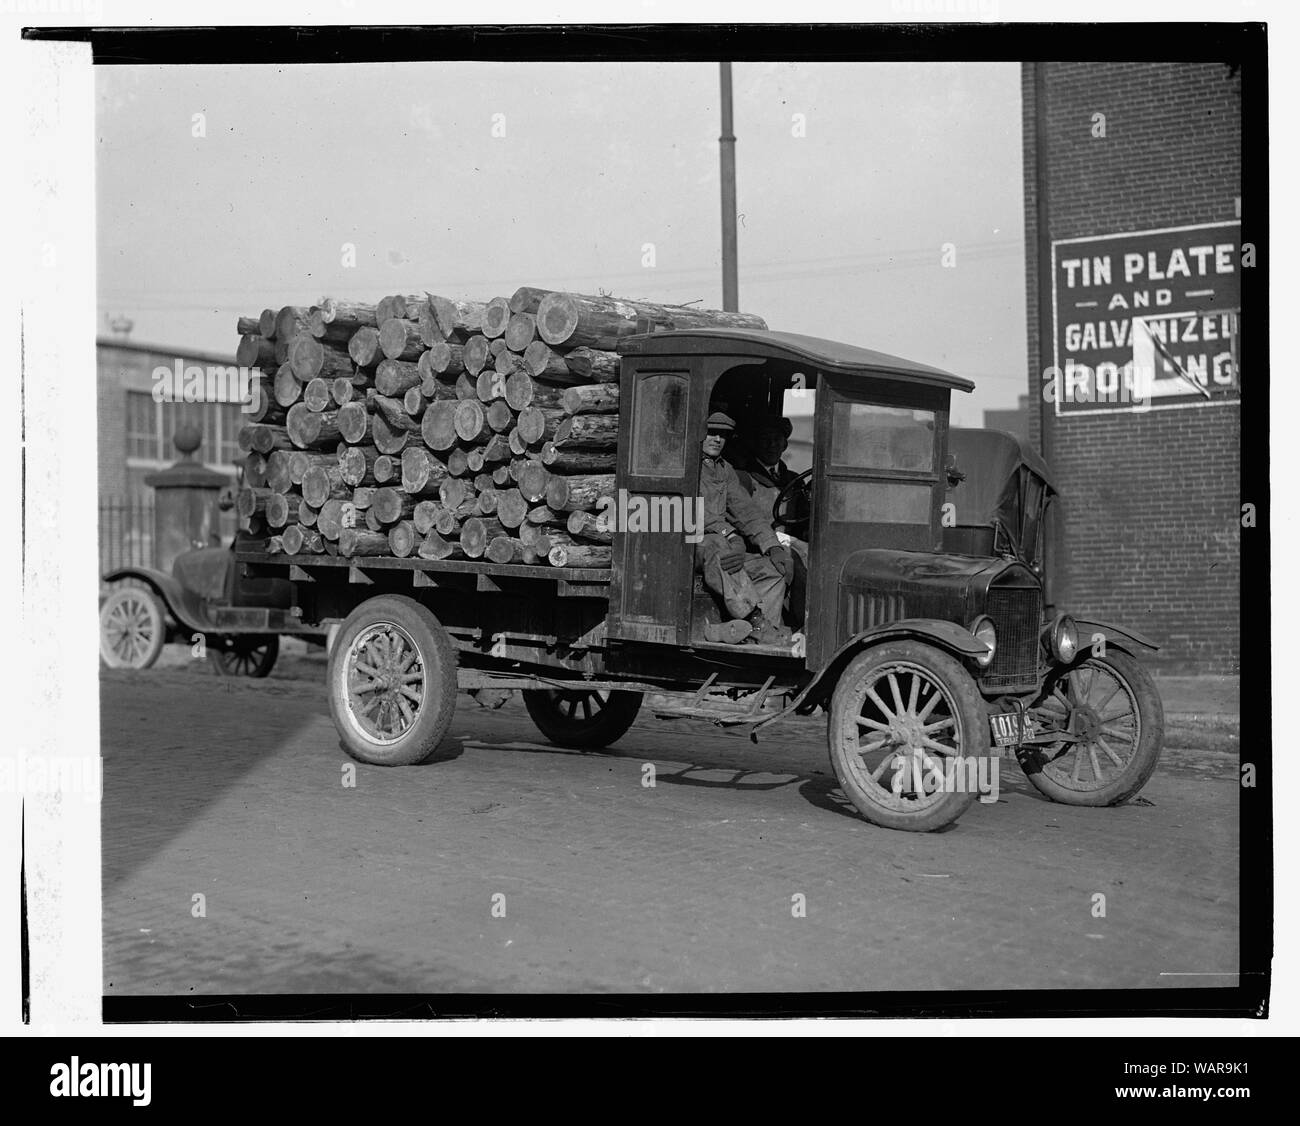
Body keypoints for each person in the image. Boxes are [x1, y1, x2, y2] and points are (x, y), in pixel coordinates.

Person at [697, 412, 795, 646]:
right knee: (720, 548)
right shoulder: (686, 466)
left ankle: (762, 635)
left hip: (720, 539)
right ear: (699, 434)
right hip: (690, 541)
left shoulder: (724, 469)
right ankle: (755, 621)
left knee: (772, 569)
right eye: (711, 433)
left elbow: (746, 511)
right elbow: (692, 511)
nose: (717, 439)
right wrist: (728, 533)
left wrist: (772, 546)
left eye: (723, 435)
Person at [732, 415, 808, 630]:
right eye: (765, 439)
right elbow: (741, 518)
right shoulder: (744, 478)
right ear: (755, 443)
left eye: (777, 439)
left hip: (787, 541)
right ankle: (798, 626)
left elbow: (804, 518)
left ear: (785, 444)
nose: (772, 445)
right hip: (758, 547)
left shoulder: (793, 479)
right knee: (796, 563)